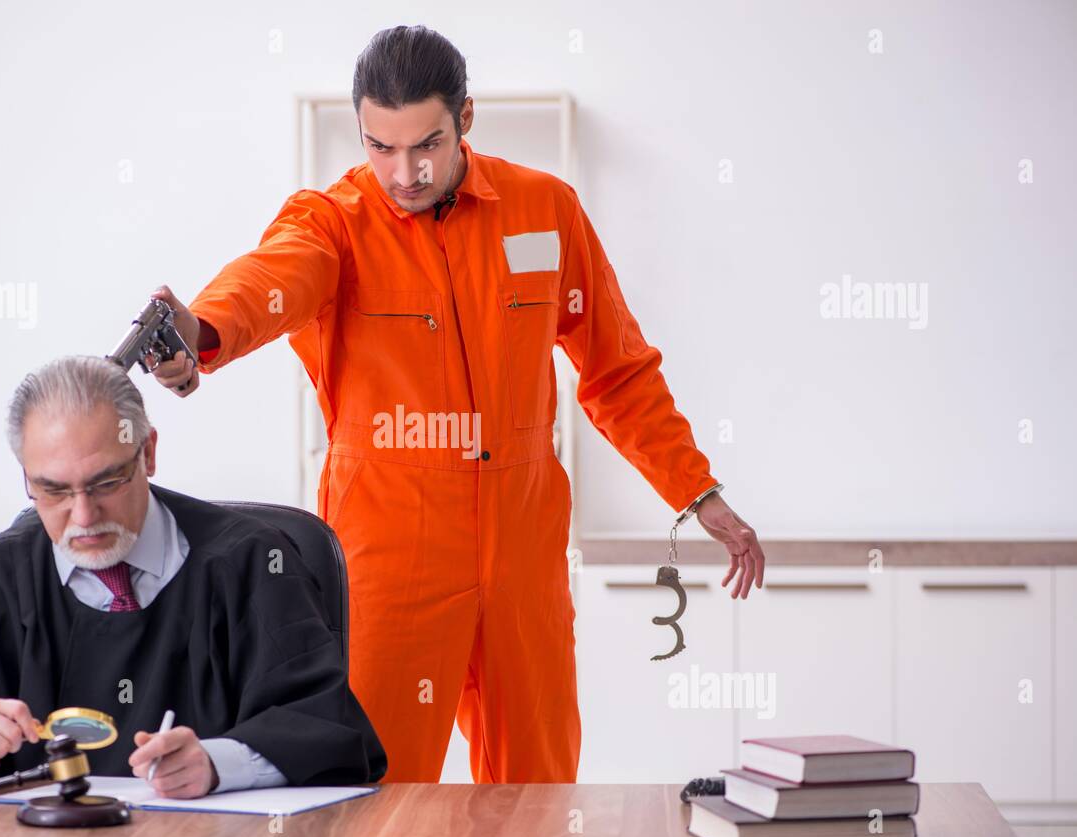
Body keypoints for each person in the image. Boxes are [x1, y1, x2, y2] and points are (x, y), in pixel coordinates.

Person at [145, 25, 766, 784]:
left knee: (537, 793)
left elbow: (619, 370)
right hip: (390, 552)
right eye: (381, 147)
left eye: (426, 145)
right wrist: (200, 332)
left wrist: (695, 490)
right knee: (376, 794)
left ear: (465, 119)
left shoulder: (545, 210)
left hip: (523, 548)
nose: (403, 173)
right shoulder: (333, 223)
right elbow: (268, 282)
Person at [0, 356, 386, 797]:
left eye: (107, 483)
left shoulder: (252, 562)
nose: (83, 518)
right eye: (55, 491)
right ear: (26, 481)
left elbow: (331, 730)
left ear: (148, 453)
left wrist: (219, 762)